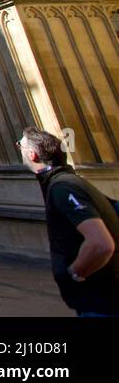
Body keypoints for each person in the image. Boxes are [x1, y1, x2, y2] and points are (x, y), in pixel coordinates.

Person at [19, 127, 119, 316]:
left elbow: (101, 244)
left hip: (101, 302)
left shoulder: (62, 187)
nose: (19, 149)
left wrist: (74, 274)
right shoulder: (68, 182)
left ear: (32, 155)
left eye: (20, 145)